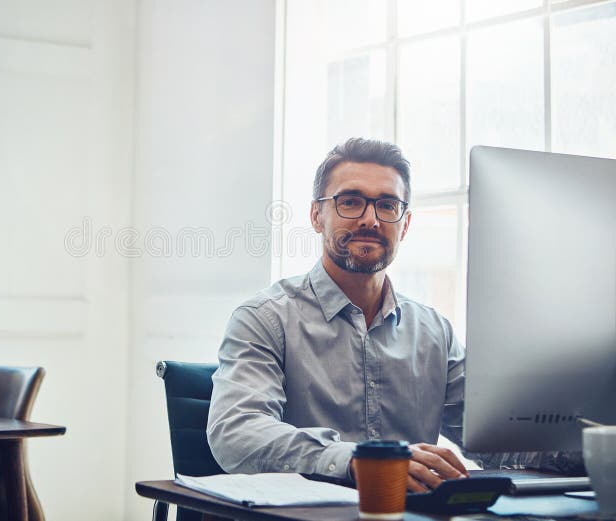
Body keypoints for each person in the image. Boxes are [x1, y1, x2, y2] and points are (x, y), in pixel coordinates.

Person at [207, 138, 581, 492]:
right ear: (316, 216)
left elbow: (494, 436)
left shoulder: (434, 332)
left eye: (387, 205)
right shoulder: (264, 319)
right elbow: (236, 433)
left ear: (405, 223)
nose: (371, 219)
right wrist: (361, 461)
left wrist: (592, 448)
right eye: (350, 201)